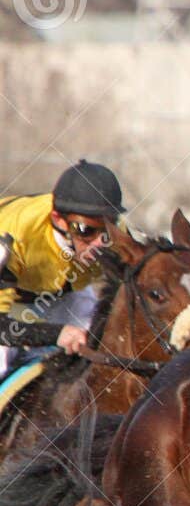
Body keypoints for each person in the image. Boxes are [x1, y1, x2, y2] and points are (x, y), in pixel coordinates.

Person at [0, 160, 126, 377]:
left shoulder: (116, 236)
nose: (99, 243)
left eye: (107, 230)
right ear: (58, 220)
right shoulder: (14, 236)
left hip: (62, 293)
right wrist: (56, 334)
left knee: (104, 342)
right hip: (6, 305)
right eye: (86, 230)